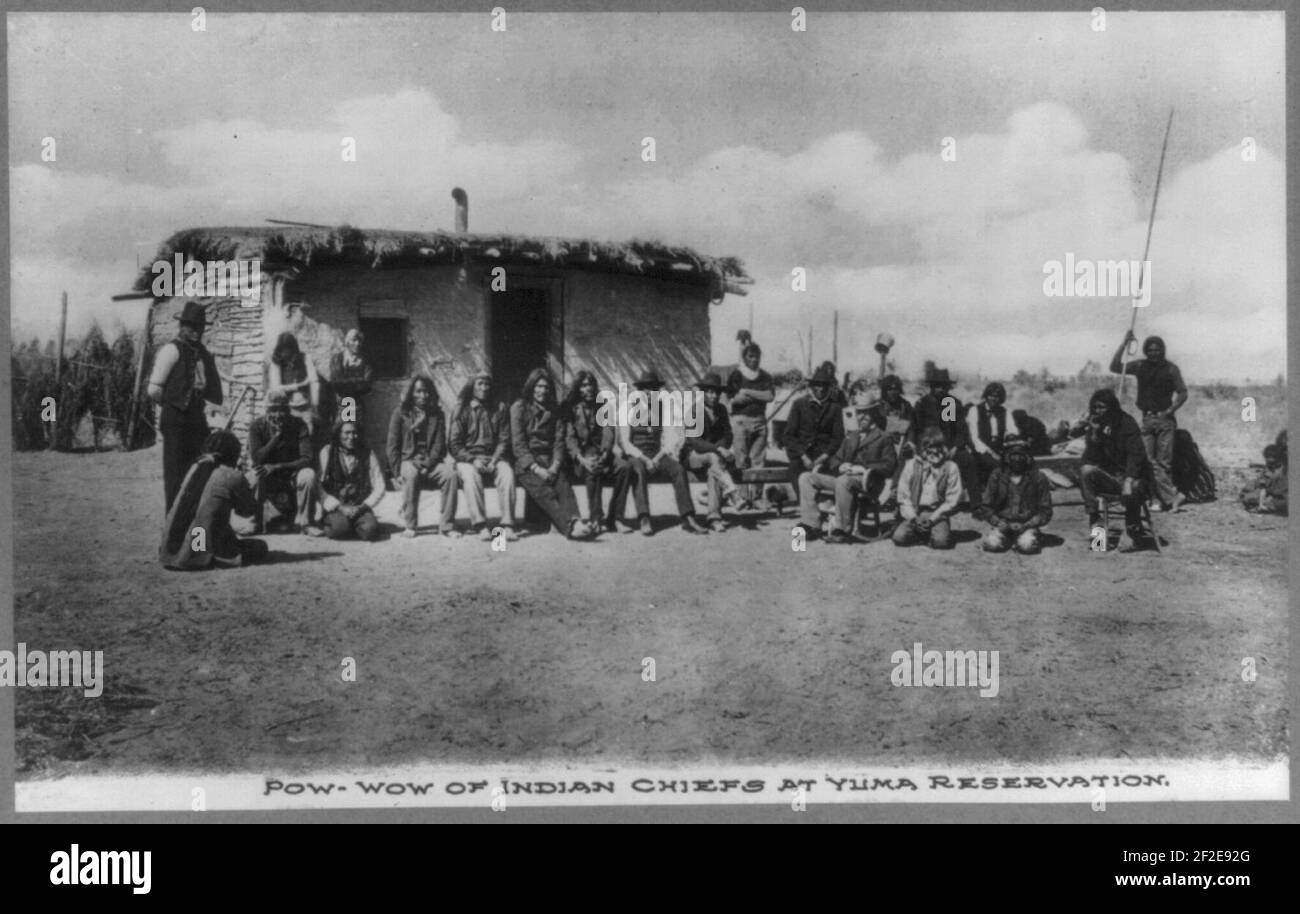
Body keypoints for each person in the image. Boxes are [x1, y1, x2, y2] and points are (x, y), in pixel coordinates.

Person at [609, 368, 708, 535]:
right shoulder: (629, 407)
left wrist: (659, 456)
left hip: (657, 453)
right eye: (646, 389)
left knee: (678, 469)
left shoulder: (662, 408)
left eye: (654, 389)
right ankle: (644, 517)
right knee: (638, 470)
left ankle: (688, 517)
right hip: (637, 454)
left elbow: (670, 437)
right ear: (640, 390)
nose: (650, 393)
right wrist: (645, 459)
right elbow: (625, 442)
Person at [146, 301, 223, 512]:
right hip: (176, 420)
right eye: (192, 327)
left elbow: (212, 391)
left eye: (200, 327)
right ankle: (173, 528)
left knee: (197, 472)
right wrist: (174, 404)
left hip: (196, 420)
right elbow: (154, 389)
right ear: (182, 327)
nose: (197, 331)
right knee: (175, 474)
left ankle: (192, 524)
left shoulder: (204, 354)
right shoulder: (171, 350)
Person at [797, 384, 897, 544]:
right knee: (806, 477)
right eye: (858, 413)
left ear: (873, 413)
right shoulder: (852, 436)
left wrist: (864, 468)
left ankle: (841, 529)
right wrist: (840, 466)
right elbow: (835, 459)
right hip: (845, 480)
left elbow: (890, 465)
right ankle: (811, 524)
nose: (861, 417)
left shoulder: (883, 437)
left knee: (844, 481)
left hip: (869, 482)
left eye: (866, 413)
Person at [159, 430, 268, 570]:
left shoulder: (194, 469)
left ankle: (194, 551)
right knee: (260, 547)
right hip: (197, 552)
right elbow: (247, 511)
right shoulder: (231, 475)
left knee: (205, 519)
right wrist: (248, 483)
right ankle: (206, 555)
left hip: (168, 554)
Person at [510, 368, 596, 540]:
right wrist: (536, 468)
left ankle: (577, 520)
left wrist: (555, 465)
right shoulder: (519, 408)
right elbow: (518, 445)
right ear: (531, 387)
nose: (542, 391)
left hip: (550, 461)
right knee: (544, 490)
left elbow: (558, 441)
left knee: (563, 485)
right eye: (539, 386)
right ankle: (569, 527)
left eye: (546, 387)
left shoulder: (554, 409)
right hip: (527, 463)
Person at [1110, 331, 1188, 512]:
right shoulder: (1139, 366)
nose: (1154, 353)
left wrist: (1169, 411)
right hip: (1146, 419)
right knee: (1147, 460)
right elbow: (1115, 367)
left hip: (1165, 420)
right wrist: (1124, 344)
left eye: (1157, 349)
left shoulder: (1171, 369)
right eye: (1151, 350)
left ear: (1163, 350)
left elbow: (1183, 393)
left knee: (1164, 462)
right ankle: (1170, 496)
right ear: (1146, 351)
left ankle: (1161, 499)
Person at [386, 375, 460, 538]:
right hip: (409, 460)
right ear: (411, 393)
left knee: (450, 475)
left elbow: (439, 445)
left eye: (426, 392)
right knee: (411, 475)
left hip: (431, 461)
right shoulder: (400, 413)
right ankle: (410, 525)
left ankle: (447, 525)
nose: (423, 396)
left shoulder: (437, 414)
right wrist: (396, 472)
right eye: (418, 391)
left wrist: (427, 464)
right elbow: (392, 446)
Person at [1079, 387, 1151, 553]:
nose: (1098, 411)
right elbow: (1089, 459)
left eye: (1102, 407)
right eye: (1095, 407)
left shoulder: (1127, 422)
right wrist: (1095, 434)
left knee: (1125, 548)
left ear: (1111, 407)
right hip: (1110, 477)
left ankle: (1132, 529)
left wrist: (1128, 480)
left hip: (1134, 479)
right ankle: (1096, 523)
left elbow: (1137, 455)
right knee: (1086, 470)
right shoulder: (1096, 424)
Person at [450, 373, 518, 542]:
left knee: (507, 473)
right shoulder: (462, 409)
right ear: (472, 387)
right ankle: (480, 525)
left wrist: (495, 459)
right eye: (480, 384)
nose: (484, 388)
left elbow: (504, 439)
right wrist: (473, 460)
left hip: (494, 457)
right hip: (469, 459)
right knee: (470, 477)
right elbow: (454, 444)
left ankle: (508, 524)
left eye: (487, 384)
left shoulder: (500, 408)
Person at [247, 390, 322, 536]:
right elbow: (257, 459)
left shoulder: (298, 425)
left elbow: (307, 458)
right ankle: (255, 522)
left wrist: (277, 466)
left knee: (308, 475)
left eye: (281, 410)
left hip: (290, 474)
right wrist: (276, 437)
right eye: (273, 410)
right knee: (255, 474)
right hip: (267, 476)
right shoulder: (257, 426)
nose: (278, 415)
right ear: (267, 410)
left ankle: (306, 523)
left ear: (287, 410)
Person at [563, 370, 625, 531]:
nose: (588, 388)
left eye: (590, 384)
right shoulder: (571, 408)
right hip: (581, 458)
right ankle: (596, 517)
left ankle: (615, 516)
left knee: (625, 467)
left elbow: (608, 430)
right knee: (592, 466)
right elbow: (570, 438)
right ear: (578, 388)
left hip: (602, 454)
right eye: (583, 385)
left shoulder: (603, 405)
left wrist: (605, 452)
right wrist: (581, 459)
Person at [683, 372, 741, 532]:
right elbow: (695, 442)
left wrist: (721, 448)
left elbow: (728, 434)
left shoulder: (721, 410)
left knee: (713, 470)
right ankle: (733, 493)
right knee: (713, 457)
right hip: (693, 456)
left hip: (714, 459)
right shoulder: (694, 411)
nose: (712, 396)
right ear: (702, 393)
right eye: (709, 392)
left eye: (715, 392)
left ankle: (714, 518)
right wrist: (718, 449)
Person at [912, 365, 975, 507]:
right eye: (937, 386)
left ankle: (976, 504)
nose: (940, 389)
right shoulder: (923, 404)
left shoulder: (951, 404)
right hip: (927, 447)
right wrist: (920, 447)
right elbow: (916, 429)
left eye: (943, 386)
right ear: (932, 387)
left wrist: (955, 447)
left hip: (948, 447)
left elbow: (960, 429)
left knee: (968, 461)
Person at [978, 434, 1053, 554]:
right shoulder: (997, 476)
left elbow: (1046, 511)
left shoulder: (1038, 478)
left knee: (1027, 546)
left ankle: (1028, 538)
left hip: (1027, 524)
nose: (1017, 459)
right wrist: (998, 522)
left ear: (1027, 457)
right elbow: (986, 506)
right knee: (991, 544)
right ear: (1007, 457)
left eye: (1021, 455)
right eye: (1013, 455)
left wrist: (1028, 524)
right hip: (1003, 524)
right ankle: (1010, 540)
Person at [892, 427, 962, 549]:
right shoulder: (911, 465)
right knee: (899, 538)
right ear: (923, 450)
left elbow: (952, 500)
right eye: (929, 450)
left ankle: (934, 530)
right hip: (915, 511)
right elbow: (903, 496)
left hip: (937, 512)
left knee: (940, 542)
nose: (934, 453)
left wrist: (932, 519)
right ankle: (919, 533)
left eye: (938, 449)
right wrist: (913, 518)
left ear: (944, 448)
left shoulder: (951, 467)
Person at [726, 342, 775, 511]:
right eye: (750, 356)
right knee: (741, 460)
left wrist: (747, 393)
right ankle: (743, 497)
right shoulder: (736, 375)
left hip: (760, 421)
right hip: (741, 422)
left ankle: (757, 498)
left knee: (758, 461)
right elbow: (733, 400)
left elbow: (769, 396)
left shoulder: (766, 376)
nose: (754, 360)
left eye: (757, 356)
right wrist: (753, 397)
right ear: (744, 358)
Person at [318, 419, 386, 541]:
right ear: (338, 434)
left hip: (359, 506)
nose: (351, 437)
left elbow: (380, 486)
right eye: (346, 433)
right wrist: (339, 507)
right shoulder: (327, 452)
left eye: (354, 433)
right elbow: (320, 487)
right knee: (338, 529)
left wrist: (363, 507)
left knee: (370, 531)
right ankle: (340, 523)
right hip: (337, 506)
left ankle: (356, 523)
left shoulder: (367, 453)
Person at [783, 365, 846, 487]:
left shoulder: (835, 407)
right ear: (811, 386)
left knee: (831, 474)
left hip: (825, 456)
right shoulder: (799, 404)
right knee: (795, 470)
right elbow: (788, 436)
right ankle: (803, 504)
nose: (821, 389)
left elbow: (838, 438)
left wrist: (822, 458)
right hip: (802, 455)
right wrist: (803, 456)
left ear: (829, 387)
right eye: (817, 385)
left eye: (824, 385)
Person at [866, 373, 914, 506]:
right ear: (884, 390)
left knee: (904, 457)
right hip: (881, 442)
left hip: (901, 441)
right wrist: (889, 432)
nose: (893, 392)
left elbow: (910, 427)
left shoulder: (906, 405)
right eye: (889, 389)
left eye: (896, 388)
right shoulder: (877, 406)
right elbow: (874, 427)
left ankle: (894, 491)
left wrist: (909, 442)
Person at [964, 381, 1010, 513]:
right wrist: (991, 453)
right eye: (991, 395)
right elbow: (974, 438)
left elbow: (1010, 431)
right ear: (986, 396)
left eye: (997, 396)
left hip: (998, 448)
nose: (994, 399)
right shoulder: (975, 410)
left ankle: (1006, 502)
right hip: (980, 449)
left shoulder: (1004, 412)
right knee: (993, 465)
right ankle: (981, 505)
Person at [265, 331, 321, 417]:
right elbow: (276, 388)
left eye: (288, 351)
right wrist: (298, 386)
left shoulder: (305, 358)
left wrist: (315, 406)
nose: (285, 354)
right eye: (283, 351)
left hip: (305, 407)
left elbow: (314, 382)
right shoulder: (276, 363)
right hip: (285, 408)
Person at [329, 328, 373, 424]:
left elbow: (367, 384)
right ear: (347, 342)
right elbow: (336, 382)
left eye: (359, 341)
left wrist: (345, 382)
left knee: (356, 430)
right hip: (341, 401)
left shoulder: (365, 361)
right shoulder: (337, 358)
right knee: (341, 429)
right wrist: (359, 380)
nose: (357, 344)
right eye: (354, 340)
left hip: (357, 402)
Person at [1240, 443, 1287, 516]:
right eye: (1267, 457)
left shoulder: (1283, 471)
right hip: (1268, 493)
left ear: (1278, 458)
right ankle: (1263, 506)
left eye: (1272, 457)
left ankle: (1265, 506)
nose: (1269, 460)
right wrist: (1261, 503)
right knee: (1248, 497)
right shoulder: (1268, 469)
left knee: (1283, 503)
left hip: (1280, 496)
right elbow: (1263, 488)